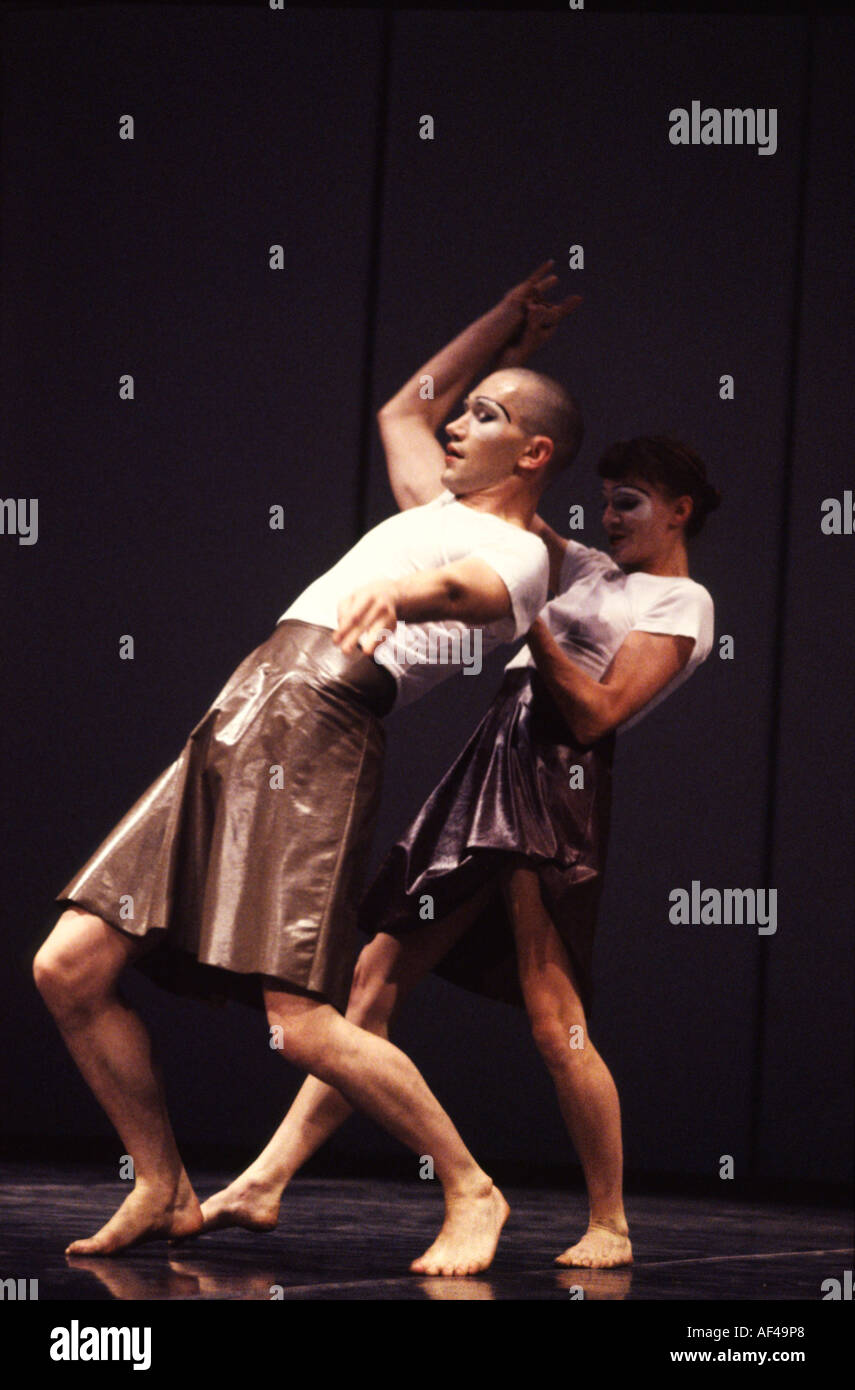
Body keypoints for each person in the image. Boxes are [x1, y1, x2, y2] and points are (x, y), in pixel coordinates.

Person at [32, 262, 586, 1276]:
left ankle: (472, 1188)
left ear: (536, 452)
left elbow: (464, 588)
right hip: (244, 710)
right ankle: (160, 1180)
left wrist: (406, 600)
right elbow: (402, 410)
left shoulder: (519, 556)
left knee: (301, 1026)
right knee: (67, 966)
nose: (458, 424)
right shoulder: (435, 500)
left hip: (319, 725)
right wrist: (502, 326)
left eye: (488, 415)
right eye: (463, 414)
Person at [196, 307, 720, 1272]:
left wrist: (529, 625)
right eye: (604, 502)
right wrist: (506, 363)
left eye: (630, 504)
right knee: (372, 978)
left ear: (679, 509)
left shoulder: (679, 602)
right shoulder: (587, 566)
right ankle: (269, 1178)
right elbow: (485, 501)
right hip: (492, 764)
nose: (608, 520)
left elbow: (598, 715)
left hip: (554, 787)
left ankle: (609, 1219)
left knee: (551, 1012)